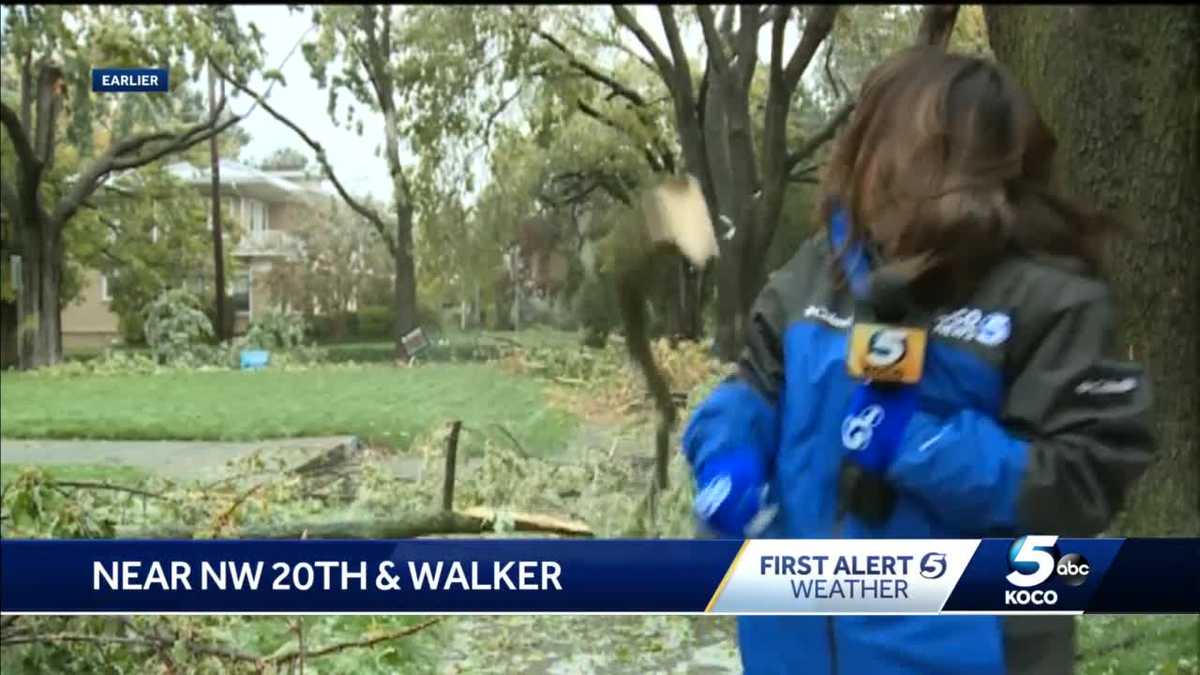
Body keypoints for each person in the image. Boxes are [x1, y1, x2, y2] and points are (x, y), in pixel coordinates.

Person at [682, 47, 1155, 675]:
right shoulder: (816, 275)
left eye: (922, 162)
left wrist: (919, 445)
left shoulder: (1049, 301)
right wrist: (725, 452)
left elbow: (1078, 481)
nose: (887, 181)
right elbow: (752, 384)